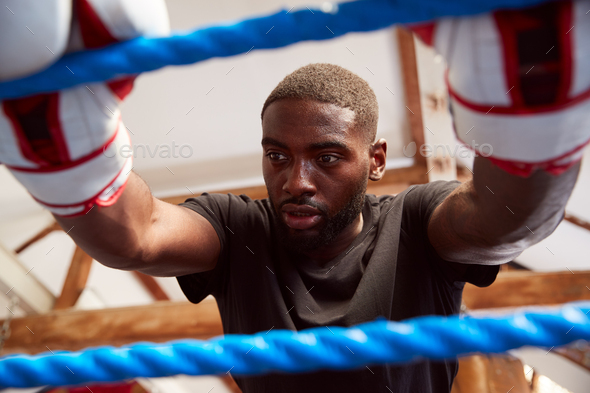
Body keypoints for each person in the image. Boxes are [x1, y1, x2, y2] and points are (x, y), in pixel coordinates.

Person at [1, 1, 587, 392]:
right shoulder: (238, 228)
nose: (296, 181)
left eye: (327, 158)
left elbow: (502, 223)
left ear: (375, 160)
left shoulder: (412, 221)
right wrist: (66, 151)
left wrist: (529, 111)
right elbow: (133, 236)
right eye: (277, 156)